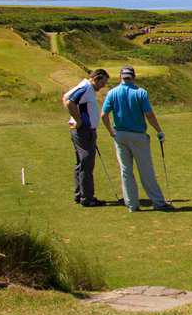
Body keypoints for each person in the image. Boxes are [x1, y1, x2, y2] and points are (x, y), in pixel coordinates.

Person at [100, 66, 174, 212]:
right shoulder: (140, 93)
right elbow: (149, 115)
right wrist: (159, 130)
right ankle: (158, 202)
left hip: (120, 135)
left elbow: (104, 115)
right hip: (138, 136)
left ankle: (132, 205)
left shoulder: (112, 93)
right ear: (133, 77)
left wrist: (110, 131)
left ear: (121, 77)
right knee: (146, 170)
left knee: (126, 171)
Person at [62, 68, 110, 207]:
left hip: (83, 130)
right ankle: (87, 198)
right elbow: (69, 102)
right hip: (84, 131)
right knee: (87, 164)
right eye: (103, 82)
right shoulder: (86, 87)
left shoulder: (84, 87)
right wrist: (78, 120)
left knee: (81, 164)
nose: (103, 86)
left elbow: (65, 97)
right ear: (96, 78)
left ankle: (80, 194)